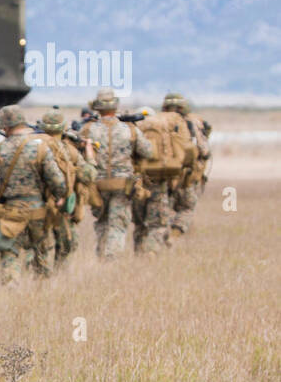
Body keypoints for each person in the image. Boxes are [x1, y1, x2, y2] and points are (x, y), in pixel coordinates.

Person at [0, 104, 67, 282]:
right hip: (37, 211)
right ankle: (42, 289)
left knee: (9, 253)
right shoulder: (40, 148)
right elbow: (58, 181)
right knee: (41, 251)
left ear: (5, 127)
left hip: (10, 211)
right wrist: (58, 196)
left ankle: (10, 288)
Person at [79, 88, 154, 260]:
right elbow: (148, 152)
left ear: (97, 108)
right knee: (118, 224)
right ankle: (111, 259)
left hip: (97, 185)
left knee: (102, 223)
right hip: (123, 184)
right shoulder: (129, 129)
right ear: (115, 107)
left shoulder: (88, 129)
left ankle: (102, 256)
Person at [37, 108, 97, 264]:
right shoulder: (69, 150)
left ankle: (39, 277)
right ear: (63, 128)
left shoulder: (33, 147)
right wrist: (89, 154)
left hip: (35, 205)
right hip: (62, 207)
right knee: (66, 245)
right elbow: (88, 176)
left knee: (39, 246)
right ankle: (58, 276)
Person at [168, 94, 211, 237]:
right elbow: (204, 151)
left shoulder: (160, 123)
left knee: (162, 207)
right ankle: (174, 234)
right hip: (186, 176)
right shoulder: (191, 124)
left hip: (162, 173)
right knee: (187, 206)